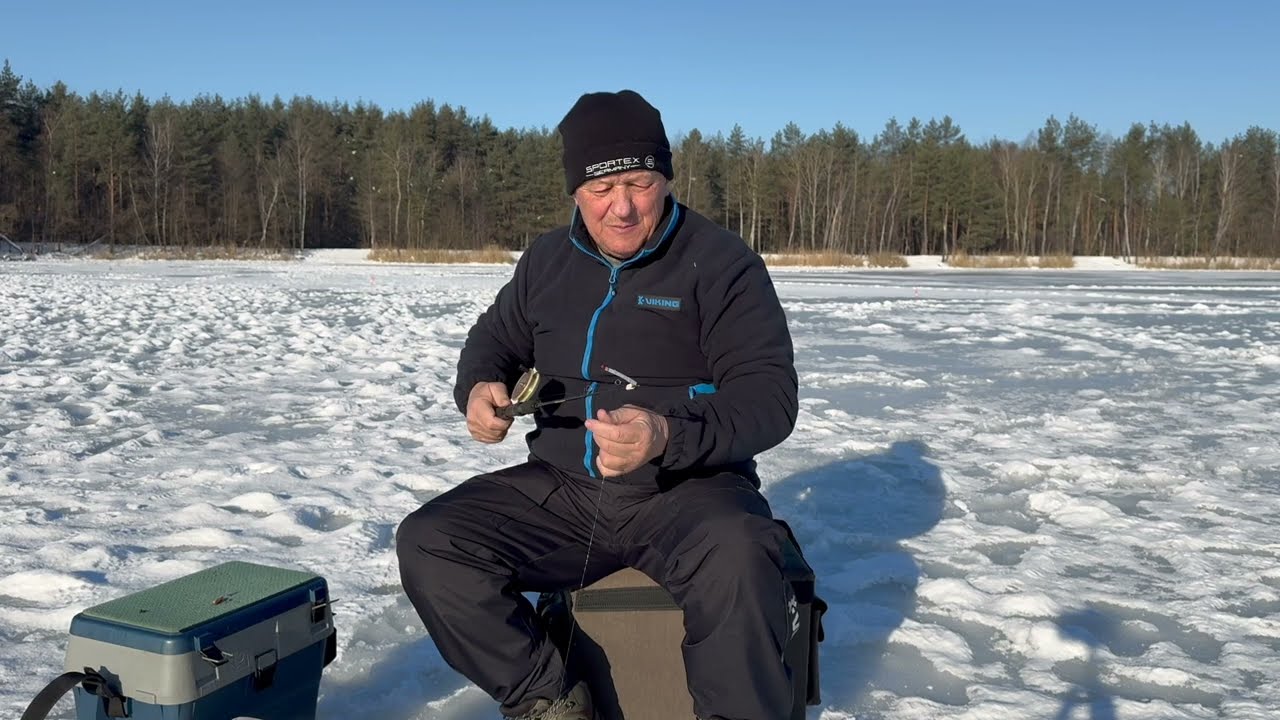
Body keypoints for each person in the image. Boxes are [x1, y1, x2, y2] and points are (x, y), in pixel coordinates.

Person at [395, 89, 800, 720]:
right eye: (601, 189)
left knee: (744, 555)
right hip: (565, 489)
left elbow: (768, 398)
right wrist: (478, 387)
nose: (622, 207)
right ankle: (547, 698)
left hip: (689, 492)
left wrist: (665, 434)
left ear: (666, 180)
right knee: (432, 541)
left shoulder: (723, 264)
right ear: (576, 192)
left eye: (639, 183)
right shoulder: (547, 261)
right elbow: (493, 342)